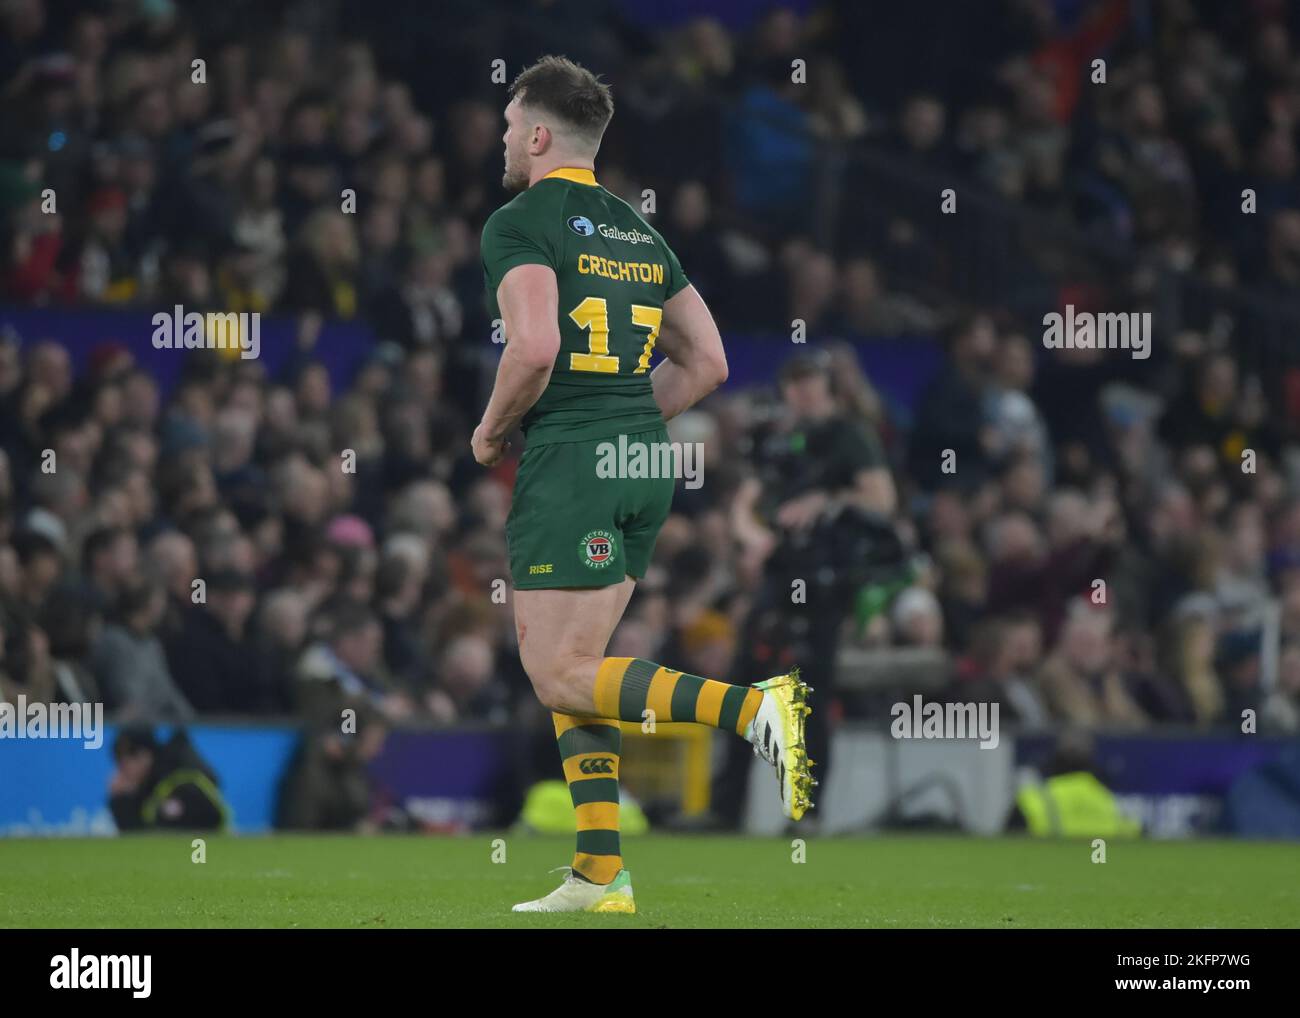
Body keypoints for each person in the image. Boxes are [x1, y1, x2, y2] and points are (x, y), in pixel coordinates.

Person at [472, 56, 812, 915]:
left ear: (541, 135)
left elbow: (536, 348)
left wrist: (488, 430)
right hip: (642, 460)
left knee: (556, 674)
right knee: (577, 667)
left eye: (512, 126)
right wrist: (629, 420)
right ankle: (599, 873)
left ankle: (752, 710)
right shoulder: (636, 230)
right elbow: (710, 362)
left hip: (573, 461)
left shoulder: (520, 221)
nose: (505, 138)